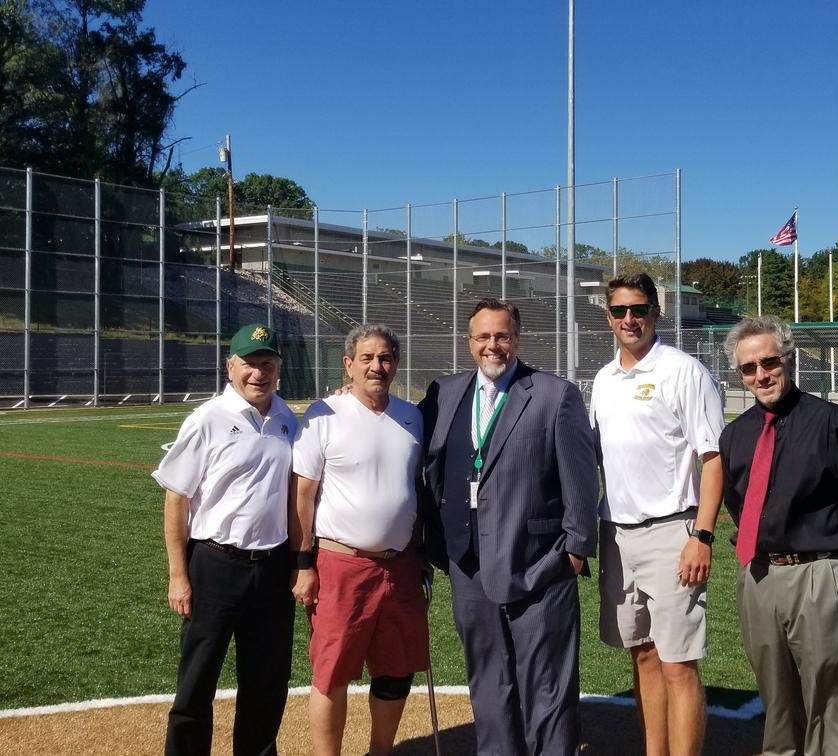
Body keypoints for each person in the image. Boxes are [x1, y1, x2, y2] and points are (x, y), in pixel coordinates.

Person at [419, 298, 598, 756]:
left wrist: (575, 549)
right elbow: (407, 441)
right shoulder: (445, 393)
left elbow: (580, 476)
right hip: (469, 566)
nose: (492, 345)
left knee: (548, 688)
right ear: (469, 341)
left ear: (516, 339)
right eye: (483, 336)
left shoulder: (555, 394)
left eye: (501, 336)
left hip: (538, 564)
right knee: (488, 682)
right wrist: (350, 393)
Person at [719, 314, 838, 756]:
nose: (761, 374)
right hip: (760, 577)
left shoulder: (836, 423)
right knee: (776, 700)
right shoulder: (735, 435)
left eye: (769, 361)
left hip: (823, 572)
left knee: (830, 698)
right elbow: (739, 507)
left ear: (789, 359)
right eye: (748, 368)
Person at [589, 272, 725, 756]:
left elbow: (713, 459)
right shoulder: (604, 380)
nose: (631, 319)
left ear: (656, 313)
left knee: (678, 663)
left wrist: (702, 536)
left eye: (639, 309)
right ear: (608, 317)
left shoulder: (684, 371)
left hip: (673, 533)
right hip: (618, 536)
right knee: (642, 655)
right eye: (621, 310)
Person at [153, 323, 298, 756]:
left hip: (272, 568)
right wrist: (179, 575)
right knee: (198, 679)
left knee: (267, 681)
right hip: (216, 565)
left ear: (278, 367)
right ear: (230, 367)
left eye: (267, 362)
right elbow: (176, 499)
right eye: (250, 363)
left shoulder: (287, 418)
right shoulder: (207, 419)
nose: (259, 372)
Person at [289, 324, 428, 756]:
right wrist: (303, 563)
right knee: (332, 672)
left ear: (396, 363)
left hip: (400, 565)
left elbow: (416, 488)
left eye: (385, 358)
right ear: (348, 365)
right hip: (340, 564)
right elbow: (303, 496)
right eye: (366, 358)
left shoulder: (412, 416)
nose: (377, 366)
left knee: (396, 669)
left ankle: (380, 751)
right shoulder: (322, 414)